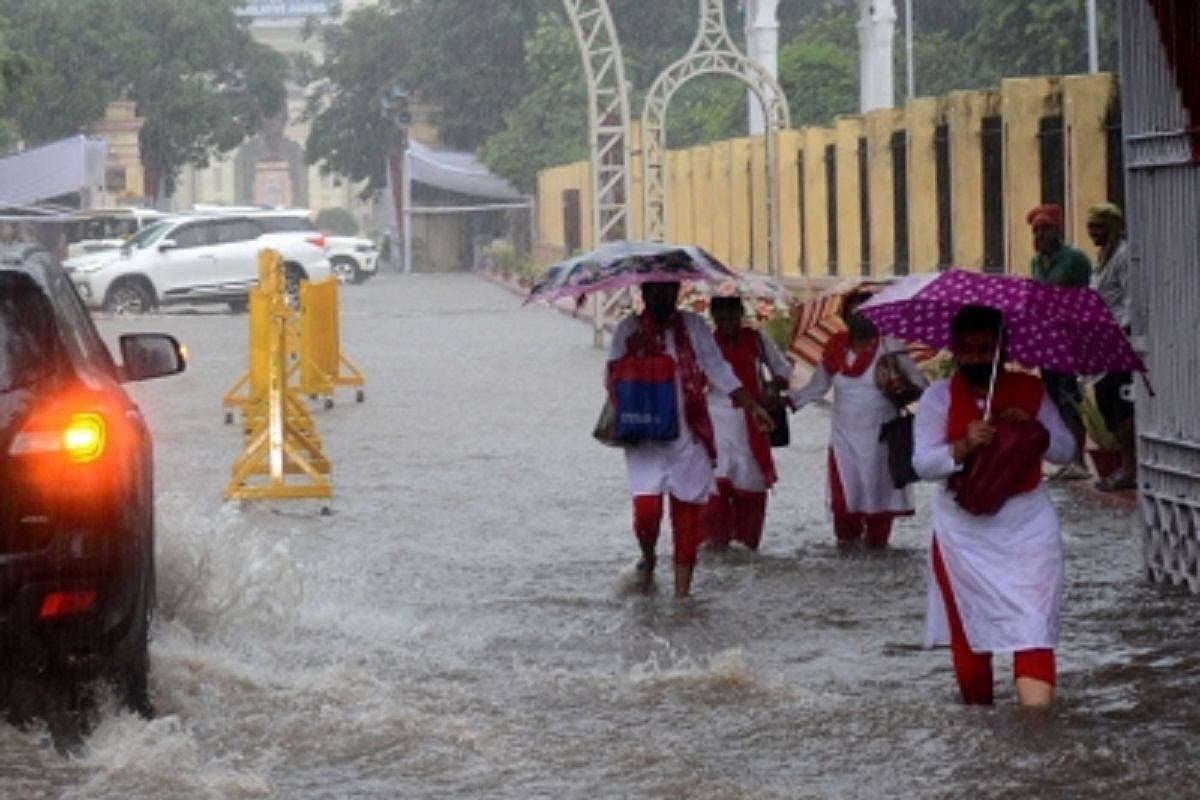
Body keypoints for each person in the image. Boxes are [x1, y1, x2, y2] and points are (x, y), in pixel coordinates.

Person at [913, 305, 1076, 707]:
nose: (976, 358)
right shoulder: (938, 397)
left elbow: (1066, 450)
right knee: (970, 632)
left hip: (1028, 528)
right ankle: (979, 725)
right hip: (962, 534)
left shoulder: (1031, 391)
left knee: (1034, 625)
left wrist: (1035, 430)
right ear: (954, 351)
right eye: (967, 350)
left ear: (1002, 350)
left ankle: (1036, 729)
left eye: (986, 349)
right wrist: (962, 446)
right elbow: (922, 464)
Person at [608, 281, 774, 597]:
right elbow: (611, 377)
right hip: (644, 439)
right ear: (644, 293)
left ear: (676, 293)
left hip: (688, 436)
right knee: (647, 516)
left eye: (669, 291)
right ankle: (648, 556)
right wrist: (640, 363)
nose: (662, 298)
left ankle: (682, 599)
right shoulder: (627, 329)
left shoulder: (693, 326)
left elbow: (719, 370)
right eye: (656, 292)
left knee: (687, 519)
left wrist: (752, 407)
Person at [789, 291, 926, 552]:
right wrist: (786, 402)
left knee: (878, 504)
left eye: (867, 312)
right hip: (844, 441)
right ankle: (846, 562)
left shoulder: (890, 346)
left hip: (881, 440)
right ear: (845, 317)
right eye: (855, 313)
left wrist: (899, 384)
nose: (861, 318)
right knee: (844, 505)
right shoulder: (835, 349)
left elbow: (919, 384)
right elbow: (817, 387)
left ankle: (876, 560)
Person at [704, 295, 793, 552]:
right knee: (716, 484)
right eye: (721, 317)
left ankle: (747, 546)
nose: (727, 322)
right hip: (716, 421)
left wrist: (772, 388)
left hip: (751, 421)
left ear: (741, 314)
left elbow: (783, 370)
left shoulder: (756, 340)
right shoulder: (705, 343)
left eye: (732, 316)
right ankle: (716, 545)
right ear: (713, 317)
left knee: (750, 483)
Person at [1027, 203, 1093, 480]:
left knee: (1070, 397)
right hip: (1046, 337)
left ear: (1058, 231)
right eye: (1037, 231)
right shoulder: (1035, 262)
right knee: (1052, 397)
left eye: (1046, 229)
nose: (1041, 235)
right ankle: (1064, 456)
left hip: (1071, 335)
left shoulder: (1075, 259)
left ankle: (1079, 459)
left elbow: (1083, 296)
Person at [1086, 202, 1137, 492]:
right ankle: (1123, 465)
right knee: (1105, 405)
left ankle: (1130, 468)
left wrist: (1121, 330)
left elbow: (1130, 300)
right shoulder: (1102, 258)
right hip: (1101, 341)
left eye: (1097, 227)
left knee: (1122, 407)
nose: (1092, 233)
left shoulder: (1124, 256)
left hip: (1120, 342)